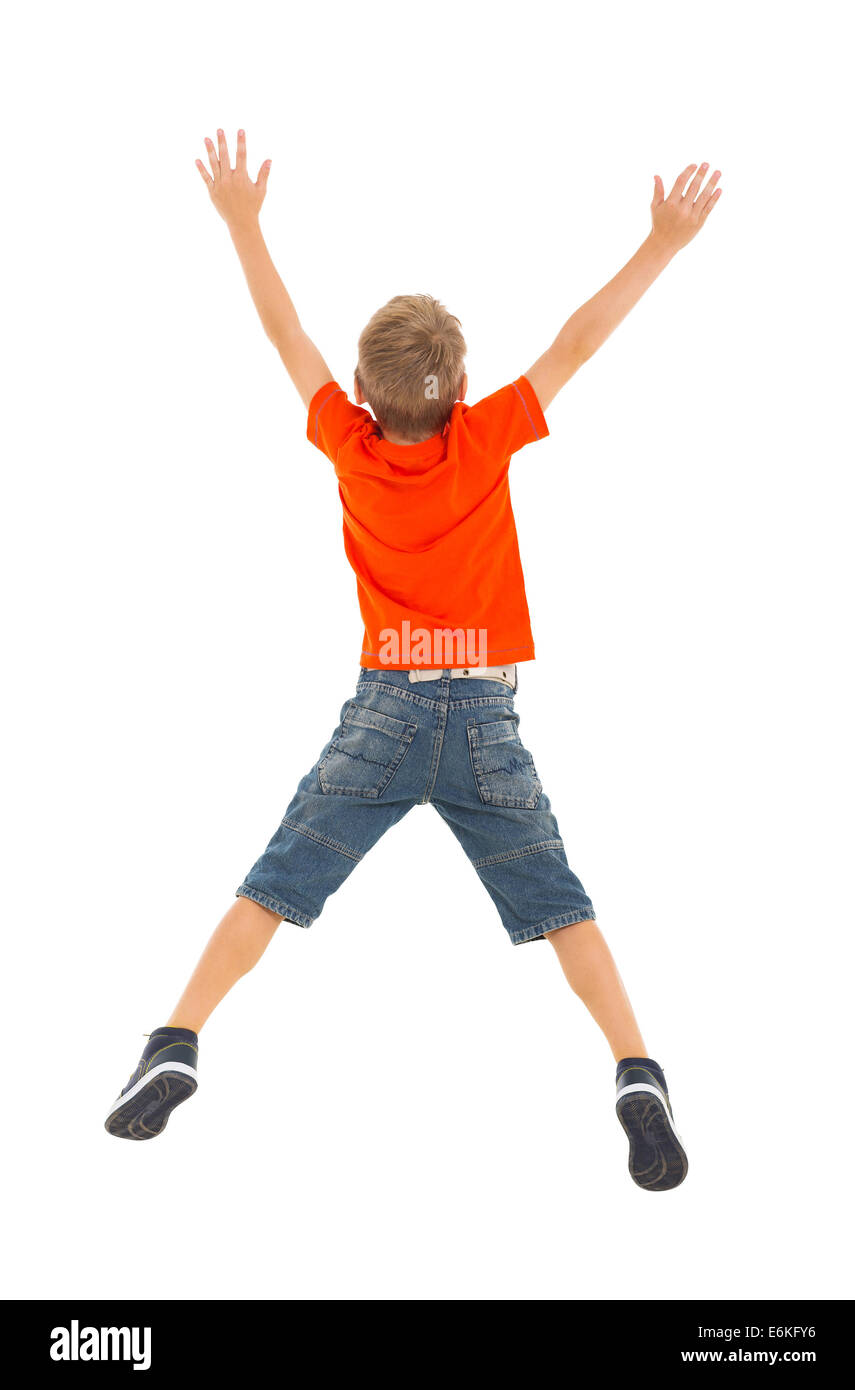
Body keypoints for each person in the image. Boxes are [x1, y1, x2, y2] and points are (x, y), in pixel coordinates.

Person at [105, 128, 721, 1191]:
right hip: (483, 721)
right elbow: (575, 344)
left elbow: (282, 328)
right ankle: (634, 1069)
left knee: (271, 886)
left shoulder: (343, 440)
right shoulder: (483, 439)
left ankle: (174, 1042)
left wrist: (243, 224)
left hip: (382, 715)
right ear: (461, 385)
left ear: (360, 387)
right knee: (562, 906)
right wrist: (660, 244)